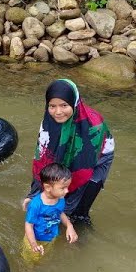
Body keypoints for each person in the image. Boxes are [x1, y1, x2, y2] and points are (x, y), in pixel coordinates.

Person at [22, 78, 114, 226]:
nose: (58, 112)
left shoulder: (93, 125)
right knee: (52, 194)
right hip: (66, 154)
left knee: (79, 208)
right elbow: (43, 160)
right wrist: (34, 195)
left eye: (64, 105)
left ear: (74, 103)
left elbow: (81, 173)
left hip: (96, 159)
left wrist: (62, 210)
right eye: (52, 106)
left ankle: (80, 223)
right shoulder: (48, 121)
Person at [24, 163, 78, 260]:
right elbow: (29, 225)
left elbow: (60, 213)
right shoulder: (36, 204)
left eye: (67, 187)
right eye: (63, 188)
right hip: (35, 239)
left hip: (51, 236)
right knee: (30, 260)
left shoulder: (60, 199)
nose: (67, 191)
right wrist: (33, 244)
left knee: (44, 258)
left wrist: (70, 226)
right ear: (48, 187)